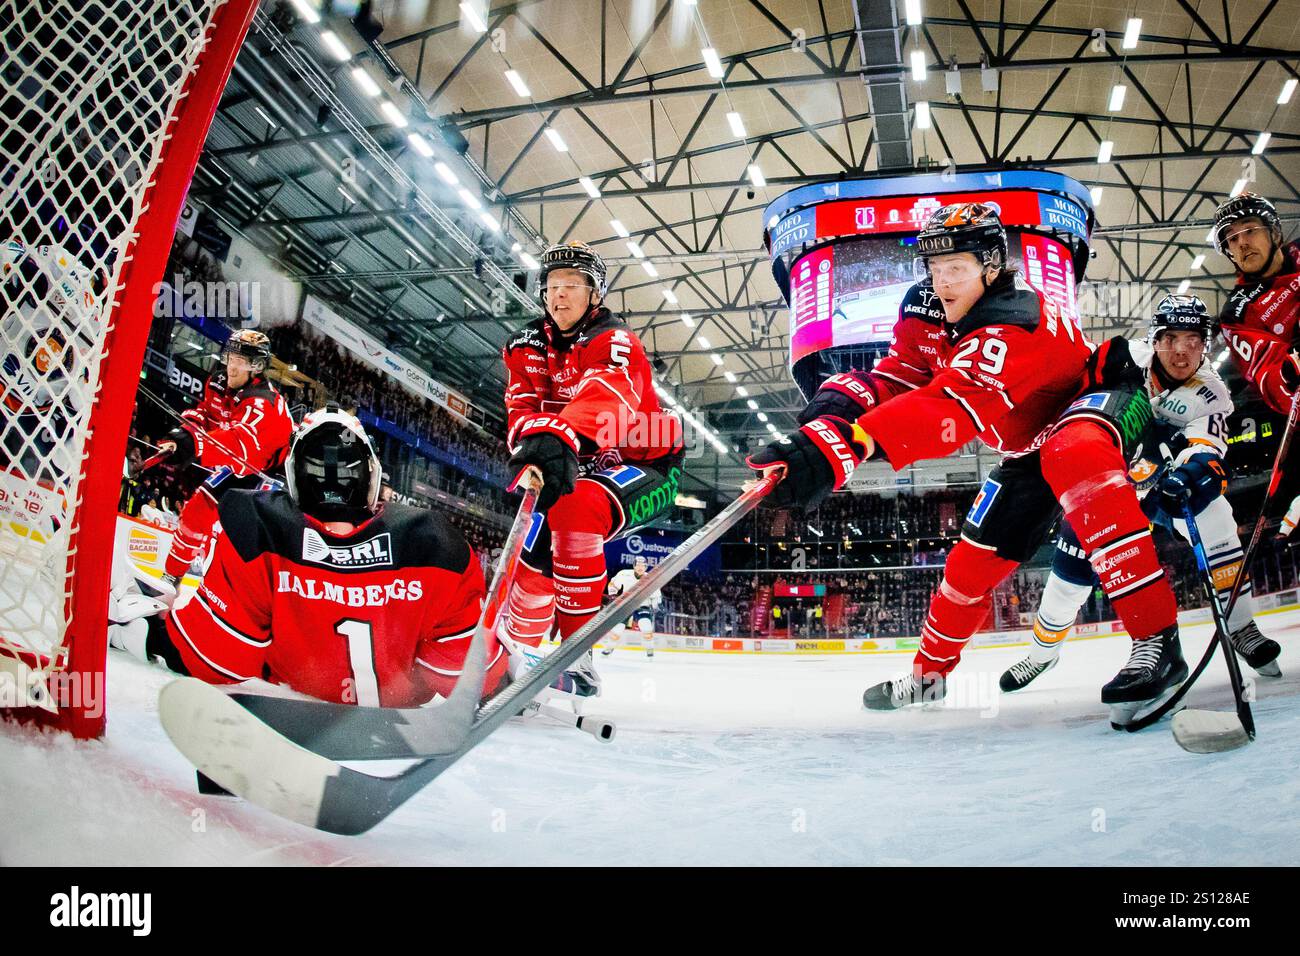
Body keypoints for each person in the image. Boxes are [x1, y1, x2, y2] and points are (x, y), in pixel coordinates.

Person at [747, 202, 1186, 727]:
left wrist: (847, 447)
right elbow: (903, 374)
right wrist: (834, 410)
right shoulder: (927, 307)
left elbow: (950, 410)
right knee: (966, 568)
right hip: (1030, 447)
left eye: (956, 267)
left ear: (992, 267)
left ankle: (1157, 642)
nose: (942, 280)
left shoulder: (1018, 317)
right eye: (934, 267)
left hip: (1098, 402)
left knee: (1074, 453)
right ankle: (929, 677)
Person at [108, 408, 507, 705]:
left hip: (285, 703)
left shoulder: (258, 525)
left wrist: (164, 628)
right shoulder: (436, 543)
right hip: (390, 729)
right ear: (371, 476)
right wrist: (501, 665)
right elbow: (467, 678)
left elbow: (216, 662)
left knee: (162, 633)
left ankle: (128, 619)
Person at [1002, 294, 1282, 692]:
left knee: (1215, 513)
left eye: (1193, 340)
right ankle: (1042, 654)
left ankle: (1240, 626)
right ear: (1153, 340)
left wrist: (1190, 473)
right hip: (1105, 484)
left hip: (1160, 485)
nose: (1181, 351)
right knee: (1067, 582)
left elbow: (1207, 452)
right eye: (1171, 338)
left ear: (1205, 344)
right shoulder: (1122, 358)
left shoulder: (1212, 392)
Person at [499, 241, 683, 698]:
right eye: (552, 286)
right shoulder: (524, 347)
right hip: (580, 461)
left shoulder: (614, 338)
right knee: (532, 566)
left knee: (577, 507)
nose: (558, 295)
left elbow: (607, 394)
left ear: (595, 294)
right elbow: (519, 410)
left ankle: (576, 658)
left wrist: (561, 436)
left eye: (571, 286)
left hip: (647, 463)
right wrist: (533, 445)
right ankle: (512, 655)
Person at [152, 330, 293, 599]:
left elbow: (242, 445)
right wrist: (182, 434)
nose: (232, 365)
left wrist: (195, 445)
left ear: (257, 366)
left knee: (242, 540)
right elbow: (206, 414)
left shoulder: (263, 403)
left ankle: (242, 599)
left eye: (241, 359)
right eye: (232, 356)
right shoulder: (217, 382)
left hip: (273, 476)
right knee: (195, 513)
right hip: (241, 467)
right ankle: (170, 578)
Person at [601, 555, 662, 658]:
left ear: (646, 567)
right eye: (638, 565)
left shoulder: (651, 578)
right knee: (617, 628)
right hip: (626, 605)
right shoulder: (624, 574)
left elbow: (656, 596)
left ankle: (650, 649)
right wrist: (612, 595)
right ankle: (609, 648)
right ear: (634, 566)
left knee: (645, 625)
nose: (640, 567)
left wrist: (655, 606)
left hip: (643, 605)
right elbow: (612, 584)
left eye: (643, 565)